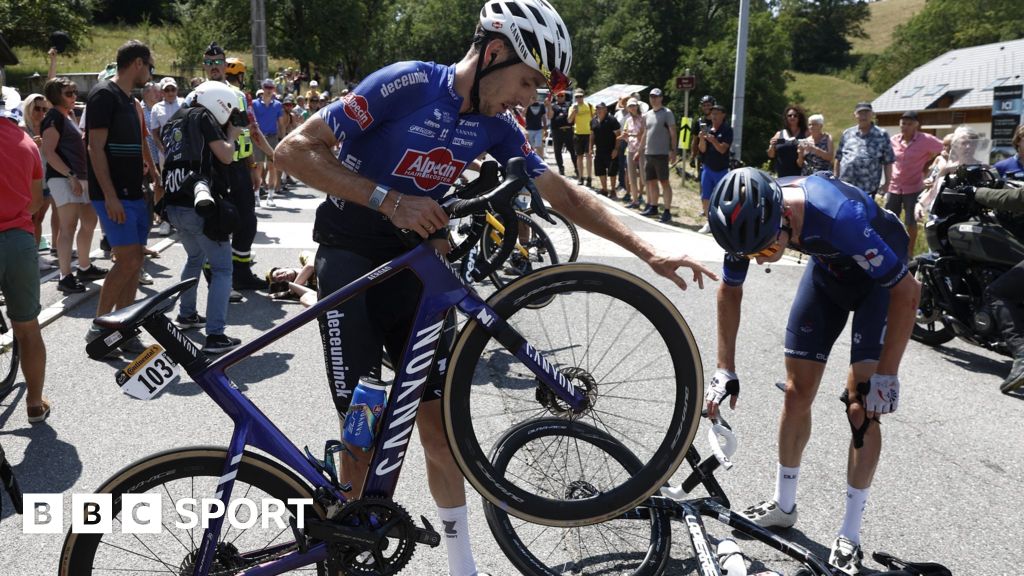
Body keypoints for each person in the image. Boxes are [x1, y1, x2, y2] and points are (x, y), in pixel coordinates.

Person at [274, 2, 717, 574]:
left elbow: (562, 193)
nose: (529, 99)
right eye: (528, 81)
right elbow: (294, 151)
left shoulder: (494, 123)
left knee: (438, 426)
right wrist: (391, 200)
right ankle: (347, 550)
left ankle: (463, 566)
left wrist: (647, 249)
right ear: (494, 53)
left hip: (418, 270)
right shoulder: (405, 84)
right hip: (352, 260)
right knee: (362, 431)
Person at [705, 167, 920, 575]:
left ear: (784, 216)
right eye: (754, 255)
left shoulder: (841, 216)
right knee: (795, 391)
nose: (762, 259)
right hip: (829, 272)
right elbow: (730, 290)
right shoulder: (747, 220)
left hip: (881, 283)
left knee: (861, 405)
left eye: (767, 250)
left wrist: (887, 375)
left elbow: (908, 291)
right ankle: (784, 506)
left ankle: (849, 536)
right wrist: (724, 367)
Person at [84, 40, 159, 353]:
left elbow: (140, 142)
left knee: (136, 260)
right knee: (127, 259)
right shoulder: (104, 94)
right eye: (150, 67)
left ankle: (125, 328)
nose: (150, 74)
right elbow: (94, 147)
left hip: (135, 192)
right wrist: (111, 196)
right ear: (138, 63)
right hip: (114, 195)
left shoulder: (130, 100)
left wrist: (154, 174)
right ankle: (99, 328)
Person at [160, 81, 244, 354]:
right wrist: (233, 133)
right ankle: (216, 335)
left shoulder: (173, 120)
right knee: (222, 268)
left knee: (195, 258)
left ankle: (186, 314)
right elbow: (226, 156)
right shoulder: (204, 116)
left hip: (173, 204)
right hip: (200, 204)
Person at [1, 85, 50, 423]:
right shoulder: (26, 143)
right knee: (28, 328)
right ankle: (34, 403)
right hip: (17, 239)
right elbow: (35, 203)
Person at [212, 48, 274, 291]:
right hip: (225, 167)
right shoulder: (229, 95)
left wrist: (252, 164)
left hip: (233, 165)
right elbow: (254, 131)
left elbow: (247, 132)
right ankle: (231, 275)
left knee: (237, 220)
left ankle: (234, 271)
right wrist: (273, 155)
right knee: (235, 222)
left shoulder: (228, 95)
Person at [40, 77, 107, 293]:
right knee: (68, 226)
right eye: (69, 93)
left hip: (80, 177)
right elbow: (49, 153)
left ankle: (85, 267)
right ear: (56, 96)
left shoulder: (67, 116)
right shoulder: (52, 117)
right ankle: (65, 275)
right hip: (64, 178)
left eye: (75, 92)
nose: (74, 96)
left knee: (89, 221)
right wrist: (70, 176)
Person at [885, 111, 944, 254]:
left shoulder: (926, 140)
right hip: (894, 187)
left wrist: (930, 165)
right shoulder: (893, 140)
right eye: (903, 123)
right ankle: (890, 251)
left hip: (913, 187)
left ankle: (909, 253)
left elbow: (945, 149)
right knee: (889, 221)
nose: (905, 126)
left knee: (911, 222)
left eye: (909, 124)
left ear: (916, 125)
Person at [19, 92, 61, 268]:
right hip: (28, 181)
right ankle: (28, 256)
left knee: (39, 218)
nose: (41, 112)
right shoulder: (21, 128)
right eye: (37, 108)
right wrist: (31, 146)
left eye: (44, 109)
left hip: (46, 179)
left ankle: (34, 254)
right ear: (28, 108)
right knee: (29, 219)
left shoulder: (47, 126)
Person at [835, 101, 895, 199]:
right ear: (855, 115)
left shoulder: (882, 134)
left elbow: (888, 161)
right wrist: (835, 179)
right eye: (860, 113)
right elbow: (838, 158)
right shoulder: (847, 133)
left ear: (872, 114)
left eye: (866, 113)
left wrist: (887, 184)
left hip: (868, 189)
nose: (863, 116)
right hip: (846, 187)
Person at [638, 87, 677, 222]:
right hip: (649, 152)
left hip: (662, 153)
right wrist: (640, 149)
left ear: (661, 98)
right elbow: (645, 132)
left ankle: (667, 211)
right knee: (651, 181)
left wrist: (673, 150)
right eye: (651, 97)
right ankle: (653, 206)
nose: (653, 99)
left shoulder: (667, 113)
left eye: (656, 96)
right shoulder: (647, 114)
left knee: (664, 181)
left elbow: (673, 132)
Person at [696, 103, 732, 233]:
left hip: (721, 169)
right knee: (705, 196)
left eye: (717, 113)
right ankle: (708, 222)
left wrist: (714, 141)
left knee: (722, 197)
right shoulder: (708, 129)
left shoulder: (727, 130)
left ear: (723, 115)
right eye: (712, 114)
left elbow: (723, 149)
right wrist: (701, 139)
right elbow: (702, 149)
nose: (714, 116)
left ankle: (721, 223)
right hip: (707, 167)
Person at [252, 77, 285, 199]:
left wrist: (283, 139)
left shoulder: (278, 105)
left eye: (271, 88)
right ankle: (256, 195)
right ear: (262, 88)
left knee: (272, 166)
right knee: (258, 166)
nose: (269, 90)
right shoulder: (254, 104)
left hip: (272, 137)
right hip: (257, 138)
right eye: (266, 87)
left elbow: (281, 124)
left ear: (274, 89)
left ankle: (270, 196)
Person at [589, 101, 621, 197]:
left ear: (606, 109)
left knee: (612, 171)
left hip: (611, 149)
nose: (599, 110)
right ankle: (604, 189)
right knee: (600, 170)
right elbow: (592, 135)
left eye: (601, 108)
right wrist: (590, 148)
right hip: (599, 150)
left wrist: (616, 149)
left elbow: (618, 135)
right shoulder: (593, 121)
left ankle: (613, 190)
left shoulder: (612, 120)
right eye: (597, 108)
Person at [150, 77, 184, 166]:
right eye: (167, 90)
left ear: (177, 90)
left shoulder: (184, 104)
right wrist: (162, 149)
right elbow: (154, 132)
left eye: (173, 89)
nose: (171, 93)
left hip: (184, 150)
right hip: (165, 152)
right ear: (162, 92)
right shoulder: (156, 108)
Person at [768, 105, 808, 177]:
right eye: (789, 115)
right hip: (782, 175)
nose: (792, 117)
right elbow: (771, 155)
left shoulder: (805, 133)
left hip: (801, 175)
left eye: (795, 115)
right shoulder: (780, 134)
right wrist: (772, 145)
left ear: (799, 117)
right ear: (786, 118)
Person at [621, 98, 646, 208]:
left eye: (634, 105)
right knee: (631, 176)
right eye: (630, 106)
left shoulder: (643, 118)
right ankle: (634, 200)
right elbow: (626, 134)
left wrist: (632, 135)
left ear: (637, 106)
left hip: (641, 149)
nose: (632, 108)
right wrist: (626, 136)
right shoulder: (628, 120)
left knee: (643, 175)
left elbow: (643, 134)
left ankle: (644, 197)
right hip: (630, 149)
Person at [568, 88, 593, 187]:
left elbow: (595, 117)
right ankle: (581, 177)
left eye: (580, 96)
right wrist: (574, 112)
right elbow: (569, 121)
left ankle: (589, 178)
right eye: (576, 97)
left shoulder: (590, 106)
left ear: (584, 96)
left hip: (589, 134)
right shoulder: (572, 107)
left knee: (589, 157)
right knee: (579, 157)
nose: (578, 98)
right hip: (578, 134)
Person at [547, 89, 576, 176]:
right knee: (557, 151)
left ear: (564, 96)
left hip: (568, 130)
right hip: (557, 131)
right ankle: (561, 168)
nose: (560, 97)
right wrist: (548, 106)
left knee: (572, 150)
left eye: (561, 96)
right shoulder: (553, 106)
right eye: (558, 96)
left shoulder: (569, 105)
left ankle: (577, 168)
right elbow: (550, 116)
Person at [524, 93, 547, 157]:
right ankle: (532, 161)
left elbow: (543, 117)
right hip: (529, 129)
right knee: (530, 147)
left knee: (539, 146)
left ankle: (541, 161)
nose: (534, 96)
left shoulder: (541, 105)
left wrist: (545, 128)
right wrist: (528, 104)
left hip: (539, 129)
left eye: (535, 95)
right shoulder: (527, 104)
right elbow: (523, 114)